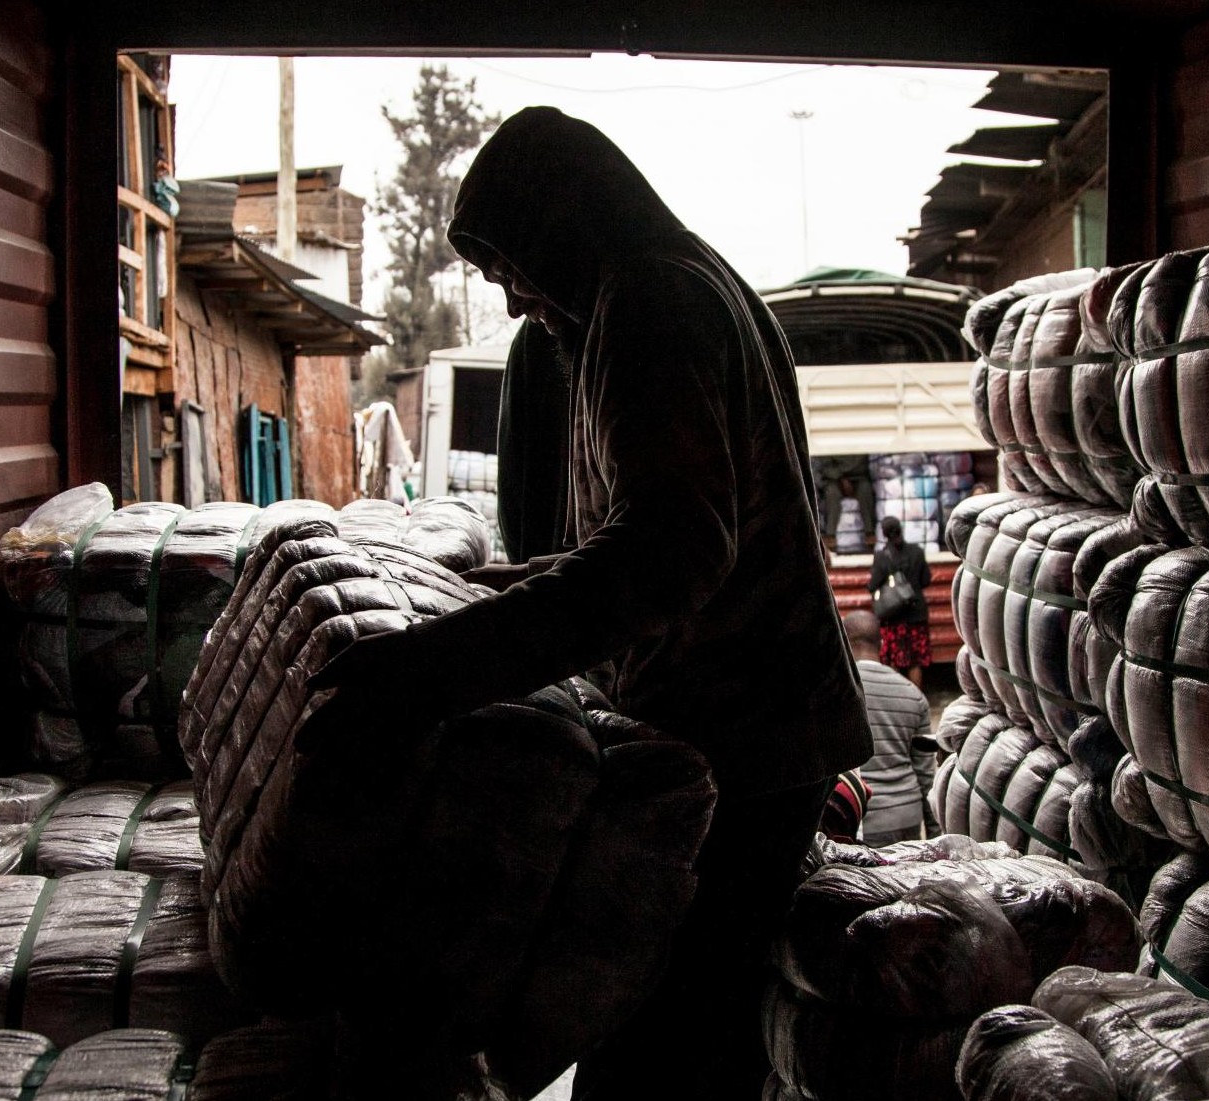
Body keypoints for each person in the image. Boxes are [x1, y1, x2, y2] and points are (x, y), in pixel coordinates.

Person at [303, 106, 871, 1101]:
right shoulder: (685, 282)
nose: (518, 303)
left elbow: (670, 554)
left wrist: (428, 672)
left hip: (740, 748)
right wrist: (484, 594)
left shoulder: (650, 301)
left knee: (660, 1055)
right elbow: (657, 534)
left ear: (558, 225)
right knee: (677, 1040)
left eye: (509, 268)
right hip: (751, 735)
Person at [842, 609, 939, 846]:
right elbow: (926, 775)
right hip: (906, 817)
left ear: (843, 643)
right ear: (883, 644)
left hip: (857, 820)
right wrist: (936, 835)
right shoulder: (913, 694)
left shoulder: (836, 693)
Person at [870, 514, 932, 687]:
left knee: (894, 662)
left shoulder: (882, 557)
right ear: (901, 529)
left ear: (883, 533)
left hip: (893, 617)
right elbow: (926, 580)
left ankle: (898, 699)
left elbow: (872, 585)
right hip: (916, 615)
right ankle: (917, 698)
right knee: (915, 661)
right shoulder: (917, 552)